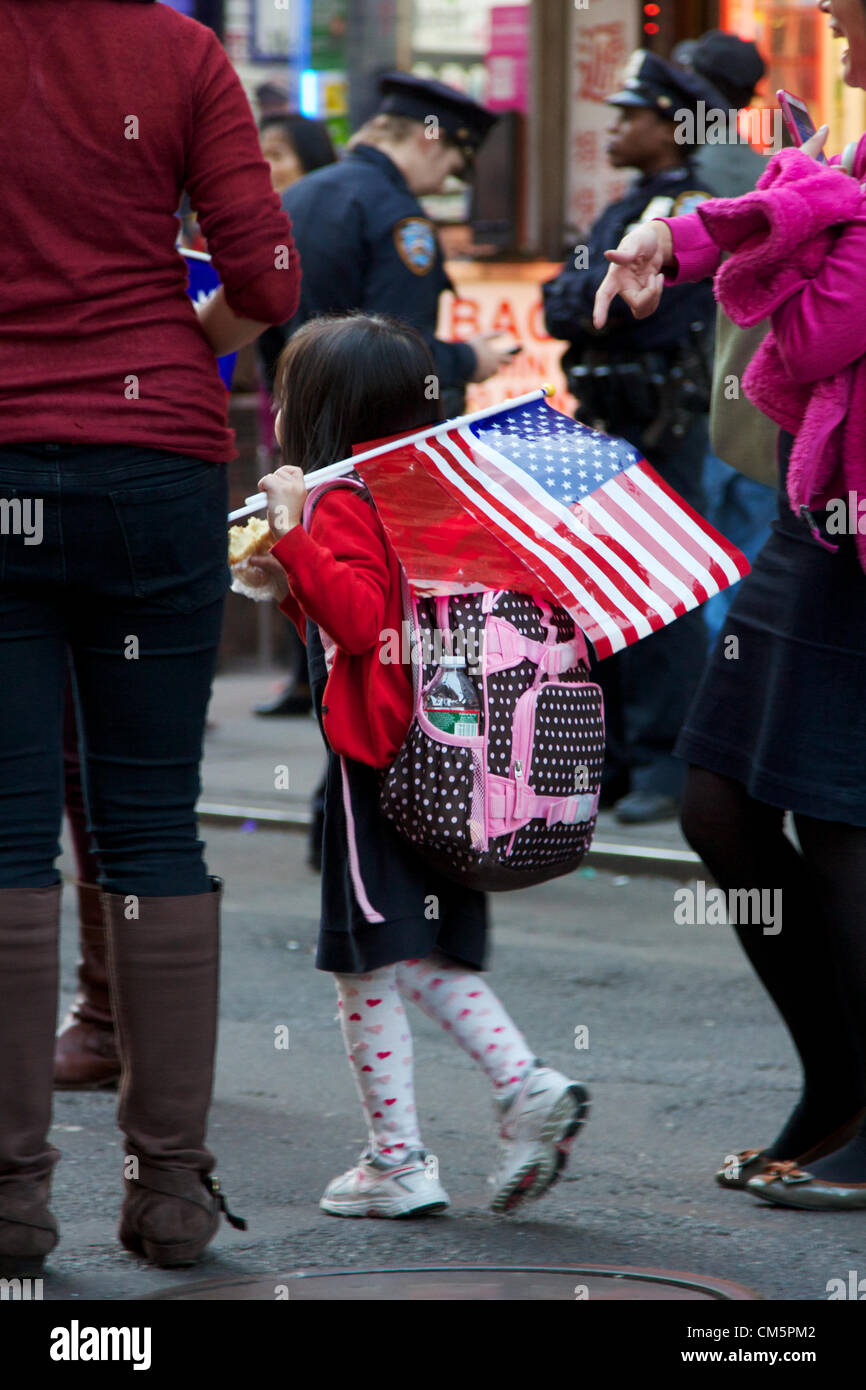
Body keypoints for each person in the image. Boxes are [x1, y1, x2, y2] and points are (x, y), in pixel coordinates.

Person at [0, 0, 299, 1271]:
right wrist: (179, 344)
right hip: (154, 473)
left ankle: (12, 1200)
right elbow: (270, 279)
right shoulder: (176, 50)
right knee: (150, 824)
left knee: (10, 834)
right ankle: (170, 1188)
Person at [592, 0, 866, 1210]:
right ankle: (839, 1081)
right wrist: (704, 226)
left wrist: (739, 235)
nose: (828, 17)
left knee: (847, 819)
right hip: (820, 502)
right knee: (721, 801)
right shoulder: (847, 133)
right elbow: (806, 213)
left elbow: (806, 326)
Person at [250, 314, 589, 1218]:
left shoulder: (343, 499)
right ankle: (524, 1089)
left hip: (382, 766)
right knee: (428, 945)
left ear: (318, 412)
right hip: (469, 763)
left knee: (368, 961)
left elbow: (359, 624)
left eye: (287, 394)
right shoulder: (443, 493)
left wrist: (291, 538)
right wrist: (291, 581)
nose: (277, 408)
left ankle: (398, 1159)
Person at [543, 51, 719, 825]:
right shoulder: (628, 207)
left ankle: (663, 766)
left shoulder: (691, 207)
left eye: (630, 116)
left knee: (659, 595)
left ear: (669, 127)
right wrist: (587, 300)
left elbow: (650, 316)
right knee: (597, 592)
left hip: (661, 427)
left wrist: (588, 302)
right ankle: (611, 761)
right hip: (607, 424)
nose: (614, 128)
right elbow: (561, 301)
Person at [268, 73, 514, 421]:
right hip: (367, 428)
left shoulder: (298, 194)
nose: (444, 184)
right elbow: (398, 347)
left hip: (299, 419)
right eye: (452, 168)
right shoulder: (399, 217)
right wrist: (470, 359)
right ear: (430, 140)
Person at [677, 30, 779, 643]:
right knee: (747, 556)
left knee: (715, 569)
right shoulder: (763, 165)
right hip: (758, 400)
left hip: (704, 399)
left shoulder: (700, 170)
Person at [254, 113, 338, 721]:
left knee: (312, 529)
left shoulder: (320, 224)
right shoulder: (255, 231)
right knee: (274, 533)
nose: (268, 167)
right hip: (275, 400)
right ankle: (298, 670)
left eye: (280, 154)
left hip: (319, 415)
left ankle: (315, 668)